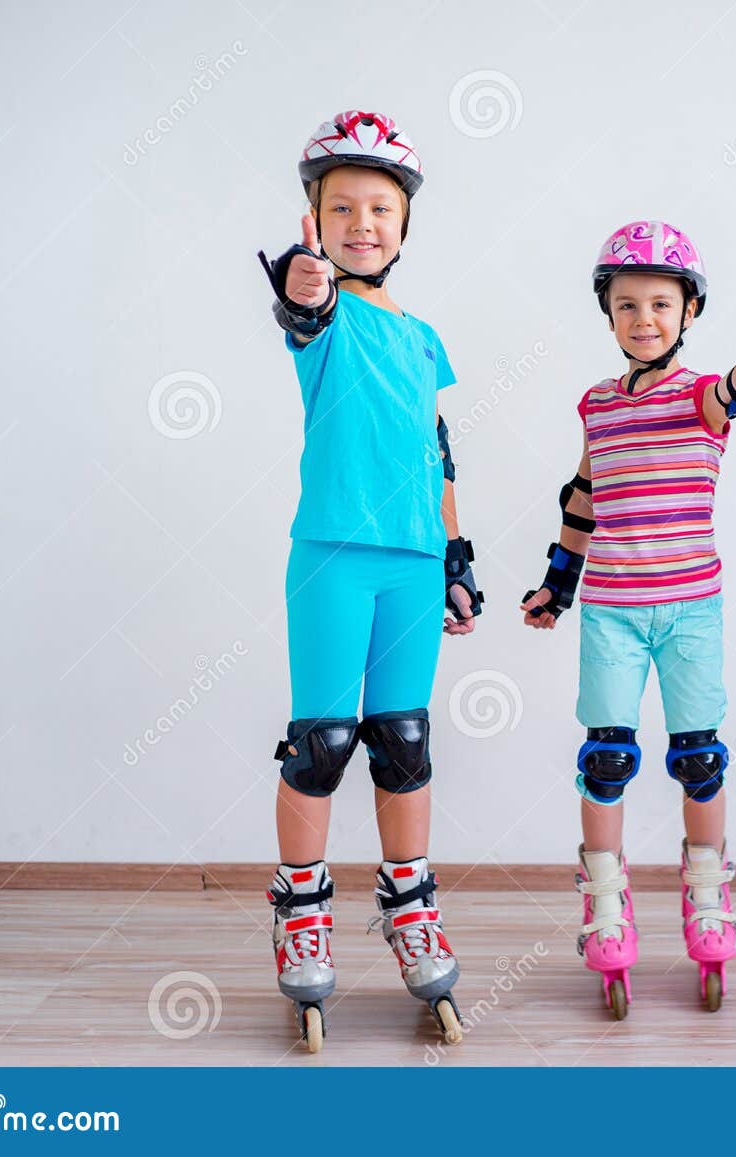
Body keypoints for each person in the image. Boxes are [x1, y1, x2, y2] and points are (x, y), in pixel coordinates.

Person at [520, 220, 736, 1018]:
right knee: (605, 759)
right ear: (607, 315)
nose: (645, 318)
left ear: (688, 312)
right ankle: (605, 902)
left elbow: (734, 391)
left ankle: (706, 895)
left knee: (699, 757)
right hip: (611, 609)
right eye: (628, 304)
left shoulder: (698, 395)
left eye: (661, 305)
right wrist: (557, 583)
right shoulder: (597, 405)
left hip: (689, 610)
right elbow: (585, 496)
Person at [257, 110, 481, 1051]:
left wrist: (458, 557)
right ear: (313, 217)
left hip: (415, 565)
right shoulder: (325, 312)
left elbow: (436, 452)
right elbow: (300, 308)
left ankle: (409, 902)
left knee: (402, 739)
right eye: (339, 206)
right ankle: (301, 912)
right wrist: (302, 291)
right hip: (335, 556)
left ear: (405, 224)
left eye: (379, 208)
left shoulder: (424, 336)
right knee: (322, 740)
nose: (360, 223)